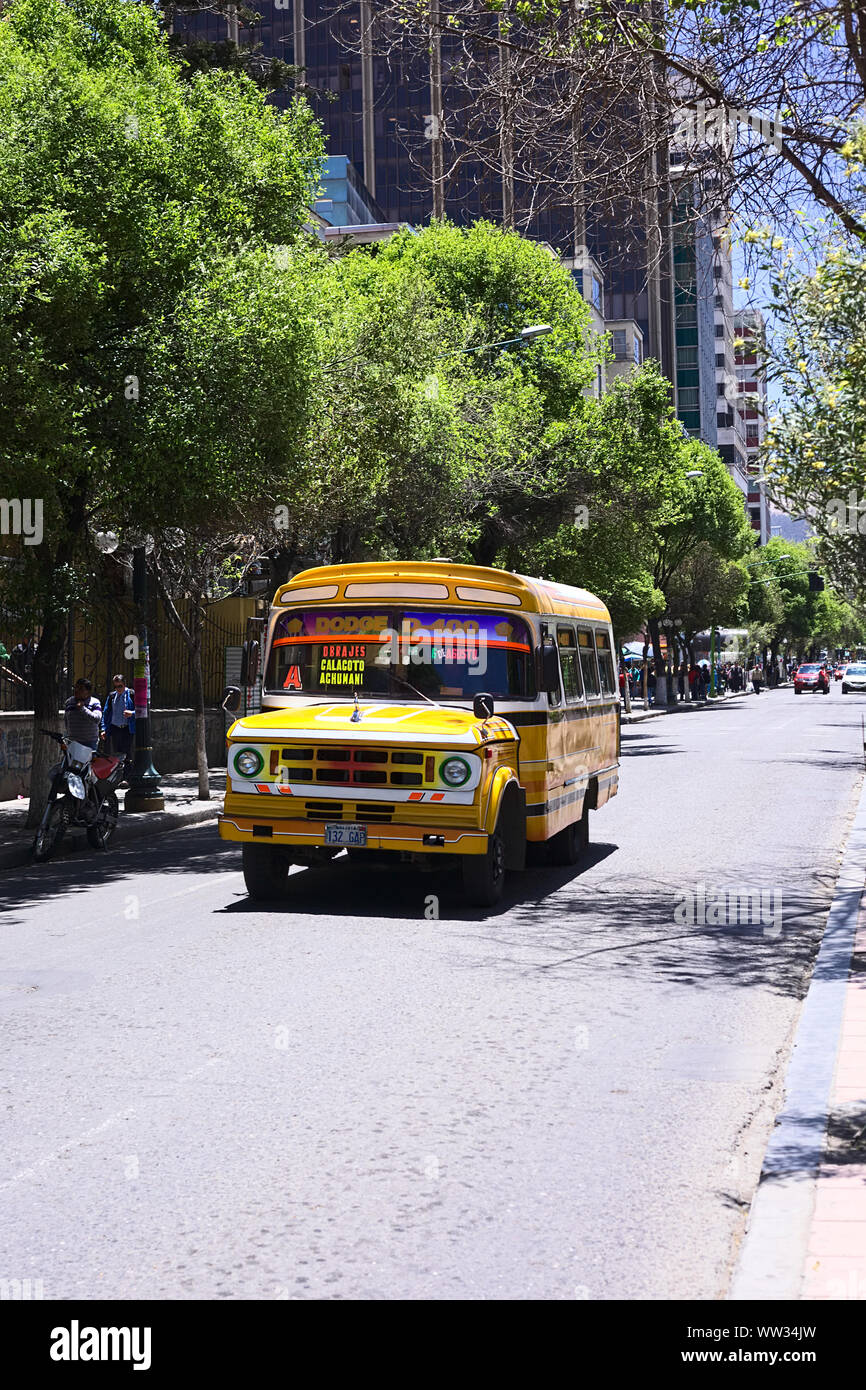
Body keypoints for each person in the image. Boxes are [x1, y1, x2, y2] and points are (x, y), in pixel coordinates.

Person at [101, 673, 135, 771]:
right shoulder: (112, 696)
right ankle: (118, 777)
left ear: (124, 684)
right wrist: (103, 729)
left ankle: (126, 777)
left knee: (127, 753)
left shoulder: (132, 694)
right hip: (115, 728)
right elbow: (106, 713)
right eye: (115, 686)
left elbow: (141, 711)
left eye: (120, 686)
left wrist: (132, 713)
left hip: (127, 728)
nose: (118, 689)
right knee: (116, 753)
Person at [64, 678, 102, 749]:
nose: (76, 691)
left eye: (81, 689)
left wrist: (82, 708)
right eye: (76, 688)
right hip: (73, 742)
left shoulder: (94, 702)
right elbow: (66, 720)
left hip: (89, 743)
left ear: (88, 692)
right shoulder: (69, 702)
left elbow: (97, 719)